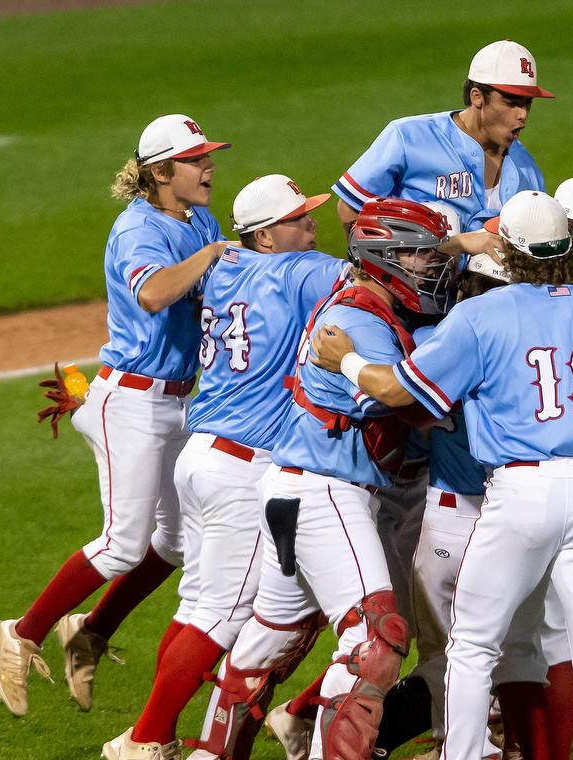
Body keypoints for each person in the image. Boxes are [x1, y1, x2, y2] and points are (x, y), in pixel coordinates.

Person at [310, 190, 573, 760]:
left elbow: (399, 391)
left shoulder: (480, 314)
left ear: (507, 250)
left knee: (473, 647)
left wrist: (348, 360)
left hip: (520, 492)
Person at [186, 198, 466, 760]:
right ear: (382, 257)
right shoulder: (359, 320)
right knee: (377, 640)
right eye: (416, 255)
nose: (429, 267)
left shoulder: (373, 309)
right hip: (323, 491)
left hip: (297, 486)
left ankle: (211, 753)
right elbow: (408, 401)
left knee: (268, 638)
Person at [0, 113, 231, 717]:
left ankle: (91, 631)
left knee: (174, 543)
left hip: (180, 399)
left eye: (209, 156)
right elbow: (152, 293)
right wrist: (213, 255)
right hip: (133, 402)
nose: (209, 167)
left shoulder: (199, 219)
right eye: (196, 159)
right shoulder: (136, 231)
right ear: (158, 172)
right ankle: (19, 634)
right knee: (123, 545)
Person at [101, 174, 350, 760]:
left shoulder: (224, 267)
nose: (313, 227)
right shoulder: (299, 270)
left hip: (204, 455)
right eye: (299, 220)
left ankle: (151, 732)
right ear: (265, 237)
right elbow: (382, 277)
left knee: (200, 607)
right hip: (242, 470)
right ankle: (145, 740)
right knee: (222, 615)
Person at [332, 39, 552, 234]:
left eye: (527, 103)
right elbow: (350, 205)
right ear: (477, 97)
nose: (522, 114)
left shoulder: (526, 166)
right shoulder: (409, 137)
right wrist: (369, 264)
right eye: (511, 103)